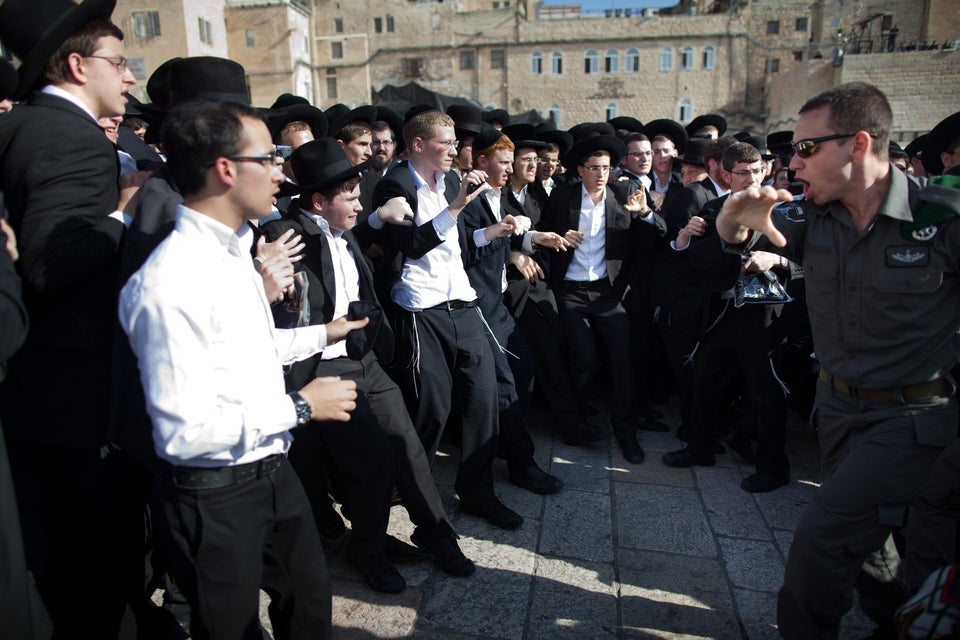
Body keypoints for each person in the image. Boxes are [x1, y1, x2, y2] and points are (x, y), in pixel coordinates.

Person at [715, 82, 959, 638]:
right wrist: (736, 215)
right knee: (870, 549)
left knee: (820, 543)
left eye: (806, 149)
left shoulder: (941, 217)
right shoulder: (812, 217)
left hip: (912, 418)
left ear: (858, 144)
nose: (791, 163)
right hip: (838, 409)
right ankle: (891, 621)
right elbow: (735, 236)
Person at [119, 100, 368, 639]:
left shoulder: (237, 250)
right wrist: (302, 406)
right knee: (228, 627)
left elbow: (251, 348)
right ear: (227, 169)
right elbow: (184, 431)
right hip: (211, 492)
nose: (282, 172)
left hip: (271, 466)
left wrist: (325, 333)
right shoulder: (170, 280)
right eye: (269, 159)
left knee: (307, 601)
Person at [262, 138, 477, 590]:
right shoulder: (288, 236)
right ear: (319, 201)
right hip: (321, 368)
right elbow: (288, 299)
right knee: (373, 462)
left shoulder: (340, 229)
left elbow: (356, 239)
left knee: (409, 447)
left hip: (364, 361)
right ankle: (369, 549)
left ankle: (437, 534)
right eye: (352, 197)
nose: (362, 203)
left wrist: (375, 218)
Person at [0, 1, 149, 634]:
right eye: (119, 63)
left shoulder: (19, 127)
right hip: (77, 403)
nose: (131, 78)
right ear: (76, 64)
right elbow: (49, 264)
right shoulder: (72, 139)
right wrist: (122, 215)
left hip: (30, 387)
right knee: (95, 573)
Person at [367, 109, 524, 530]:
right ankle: (403, 488)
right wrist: (456, 206)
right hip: (421, 310)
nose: (456, 151)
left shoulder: (452, 180)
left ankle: (477, 493)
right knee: (431, 409)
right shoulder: (396, 185)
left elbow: (457, 244)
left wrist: (493, 233)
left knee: (483, 400)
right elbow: (415, 245)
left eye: (456, 143)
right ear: (418, 145)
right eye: (447, 143)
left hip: (463, 303)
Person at [538, 134, 666, 464]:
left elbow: (658, 236)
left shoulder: (624, 193)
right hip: (571, 291)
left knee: (623, 362)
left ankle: (626, 432)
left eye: (606, 168)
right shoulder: (563, 198)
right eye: (594, 168)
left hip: (609, 291)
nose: (601, 174)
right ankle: (576, 419)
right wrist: (558, 238)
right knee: (584, 359)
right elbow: (542, 236)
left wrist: (644, 214)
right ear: (580, 170)